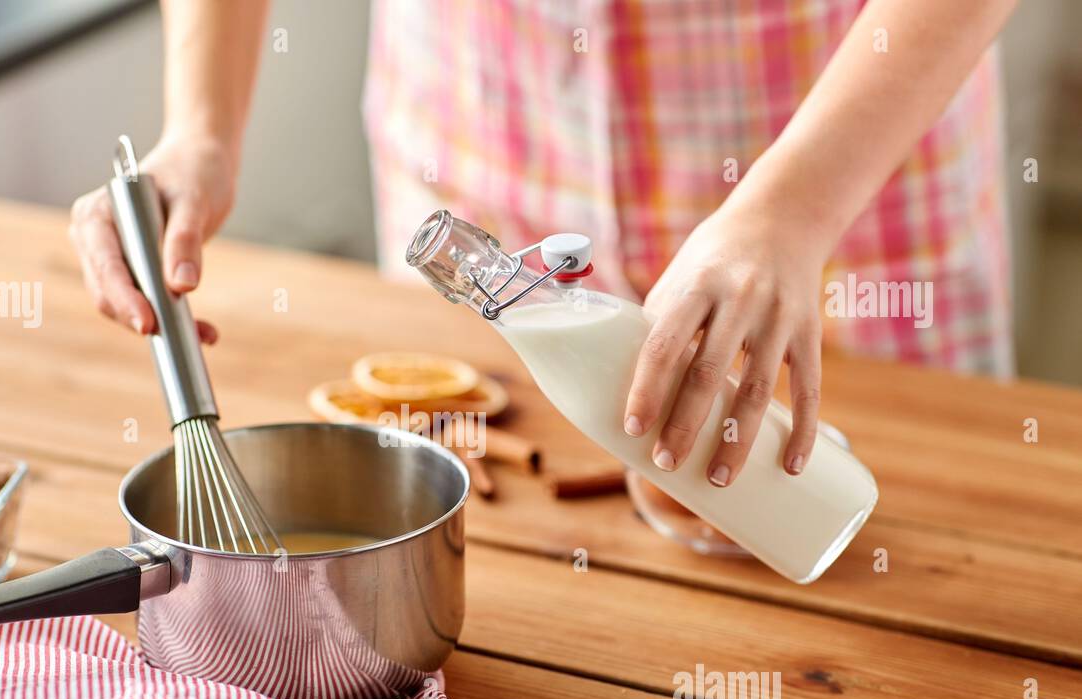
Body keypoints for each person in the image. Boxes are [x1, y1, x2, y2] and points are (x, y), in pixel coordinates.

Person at [70, 0, 1016, 488]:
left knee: (868, 548)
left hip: (835, 157)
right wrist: (199, 125)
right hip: (485, 143)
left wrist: (795, 210)